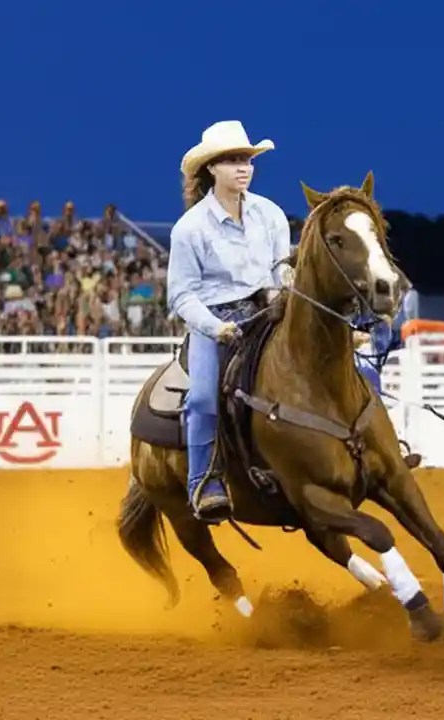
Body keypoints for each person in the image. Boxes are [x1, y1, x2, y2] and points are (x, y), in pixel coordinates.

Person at [166, 120, 291, 523]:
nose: (244, 168)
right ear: (211, 170)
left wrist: (286, 302)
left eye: (248, 160)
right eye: (234, 160)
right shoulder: (190, 228)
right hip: (215, 322)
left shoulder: (270, 215)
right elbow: (181, 294)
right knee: (203, 399)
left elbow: (280, 273)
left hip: (266, 313)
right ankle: (203, 483)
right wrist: (214, 327)